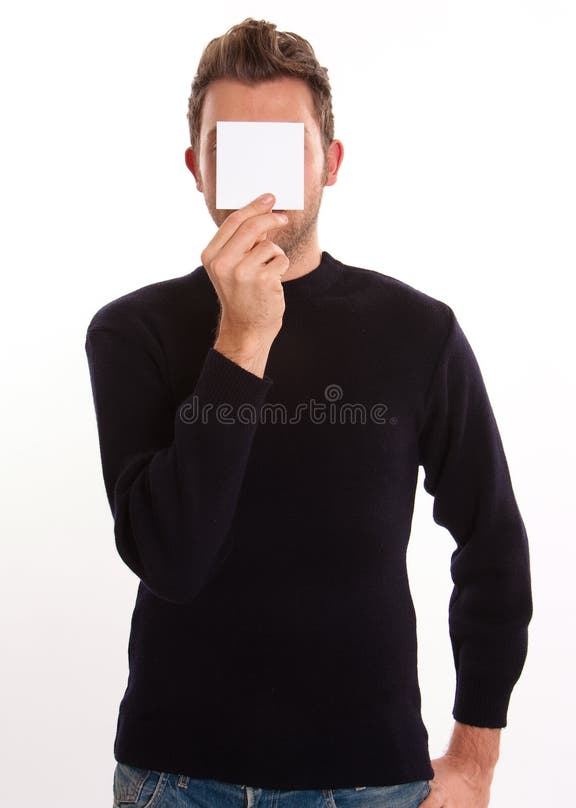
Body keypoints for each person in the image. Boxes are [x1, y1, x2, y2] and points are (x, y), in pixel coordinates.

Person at [85, 17, 533, 808]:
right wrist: (243, 338)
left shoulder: (418, 331)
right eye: (233, 154)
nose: (260, 189)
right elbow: (171, 559)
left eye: (284, 153)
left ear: (329, 162)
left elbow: (492, 537)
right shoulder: (132, 333)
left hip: (372, 781)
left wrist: (475, 757)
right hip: (175, 778)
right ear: (197, 168)